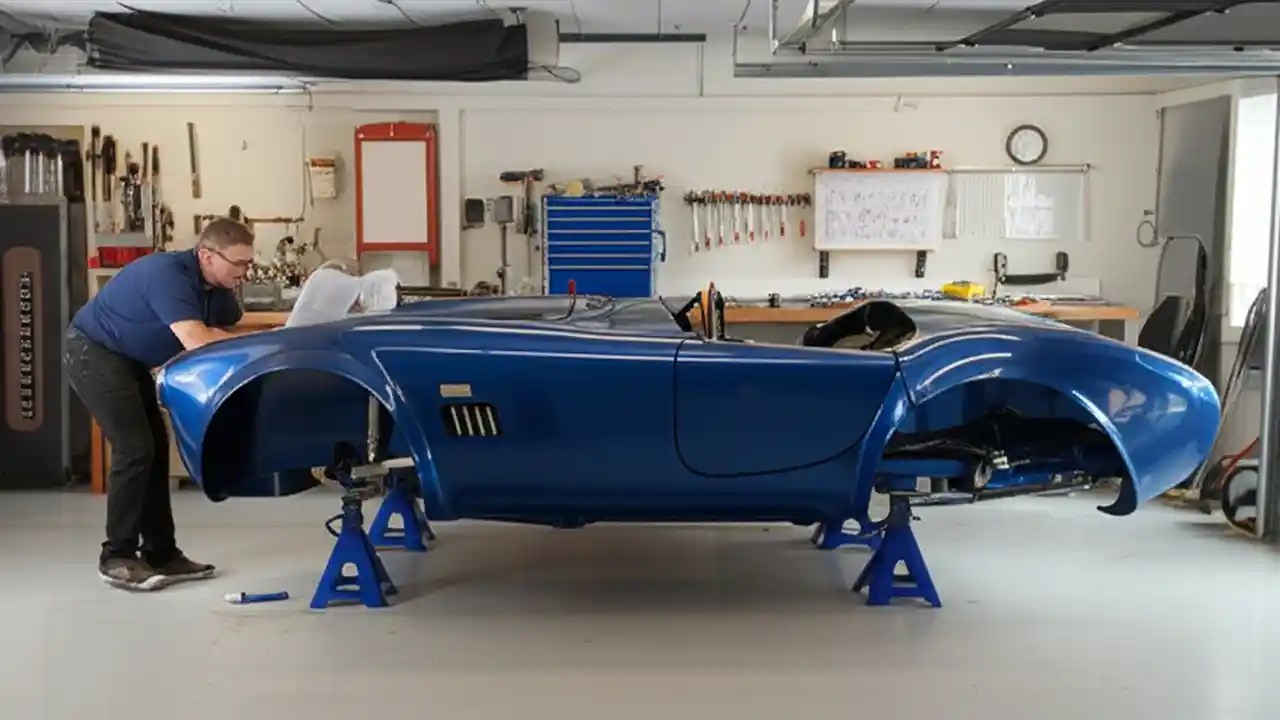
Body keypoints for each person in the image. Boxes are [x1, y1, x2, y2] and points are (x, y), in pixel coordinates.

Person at [63, 217, 255, 591]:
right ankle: (116, 556)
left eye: (249, 263)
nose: (245, 272)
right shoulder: (168, 275)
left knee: (154, 448)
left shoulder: (215, 287)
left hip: (131, 361)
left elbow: (227, 325)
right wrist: (250, 340)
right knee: (135, 448)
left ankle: (162, 553)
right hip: (93, 351)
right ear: (207, 256)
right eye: (239, 263)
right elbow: (197, 339)